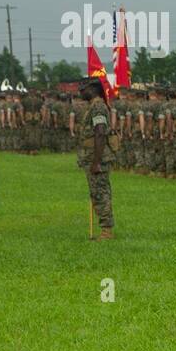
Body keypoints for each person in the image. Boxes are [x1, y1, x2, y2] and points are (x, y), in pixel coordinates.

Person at [76, 77, 117, 239]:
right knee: (96, 192)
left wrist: (96, 162)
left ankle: (106, 230)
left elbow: (100, 133)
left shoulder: (98, 107)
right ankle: (105, 228)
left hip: (97, 158)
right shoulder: (93, 106)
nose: (80, 91)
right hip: (92, 156)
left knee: (100, 193)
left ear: (93, 89)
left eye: (83, 88)